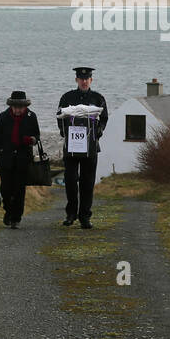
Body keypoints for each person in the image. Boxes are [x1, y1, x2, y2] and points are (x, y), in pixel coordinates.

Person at [56, 66, 108, 229]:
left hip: (91, 147)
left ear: (91, 80)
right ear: (76, 80)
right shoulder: (67, 97)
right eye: (81, 79)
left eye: (87, 79)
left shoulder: (98, 98)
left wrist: (97, 133)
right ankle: (71, 214)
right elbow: (59, 116)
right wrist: (65, 133)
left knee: (87, 182)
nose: (84, 81)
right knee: (71, 181)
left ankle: (85, 216)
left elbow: (104, 118)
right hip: (71, 147)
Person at [0, 90, 40, 228]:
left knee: (19, 189)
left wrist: (31, 140)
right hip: (5, 159)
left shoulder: (31, 116)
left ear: (25, 106)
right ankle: (8, 211)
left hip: (23, 159)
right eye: (15, 107)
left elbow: (37, 136)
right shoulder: (3, 117)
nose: (17, 110)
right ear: (11, 106)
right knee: (6, 189)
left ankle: (16, 218)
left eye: (20, 107)